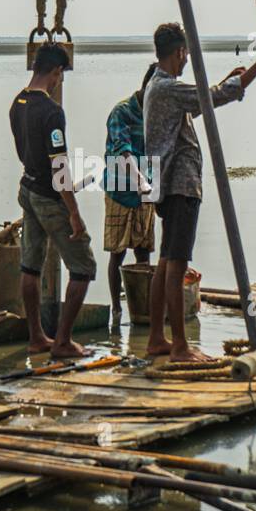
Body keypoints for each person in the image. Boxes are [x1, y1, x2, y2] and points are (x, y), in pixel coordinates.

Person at [143, 22, 256, 363]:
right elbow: (212, 96)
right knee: (176, 264)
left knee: (165, 262)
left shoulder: (159, 86)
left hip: (171, 186)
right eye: (186, 52)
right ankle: (178, 346)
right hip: (179, 184)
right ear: (178, 52)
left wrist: (233, 79)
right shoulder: (165, 87)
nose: (187, 58)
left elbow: (202, 102)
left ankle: (157, 339)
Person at [9, 43, 97, 357]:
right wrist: (73, 213)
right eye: (61, 76)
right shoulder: (51, 112)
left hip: (27, 188)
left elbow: (25, 152)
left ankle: (37, 337)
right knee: (83, 267)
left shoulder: (17, 104)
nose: (60, 82)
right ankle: (61, 341)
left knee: (30, 266)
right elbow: (59, 166)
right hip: (47, 195)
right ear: (56, 72)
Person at [103, 64, 157, 324]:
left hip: (146, 188)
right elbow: (124, 151)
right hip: (120, 191)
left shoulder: (156, 113)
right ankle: (116, 309)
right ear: (146, 88)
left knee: (144, 251)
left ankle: (143, 309)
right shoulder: (121, 112)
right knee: (117, 252)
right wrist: (139, 181)